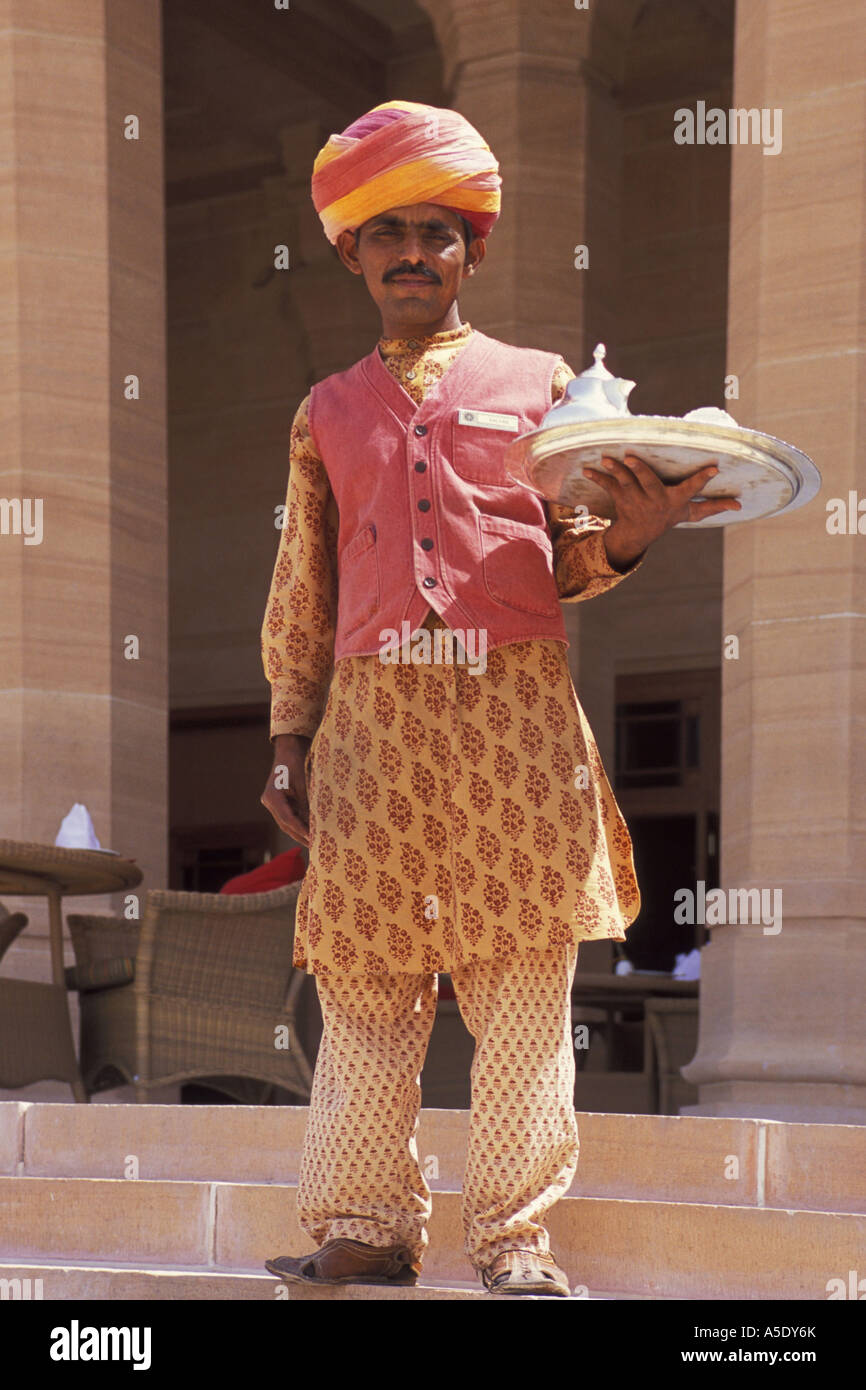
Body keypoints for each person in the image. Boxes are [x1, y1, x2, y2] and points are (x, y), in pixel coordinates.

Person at [258, 99, 738, 1297]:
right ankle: (366, 1226)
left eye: (437, 230)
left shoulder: (546, 387)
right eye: (386, 232)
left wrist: (627, 535)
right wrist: (285, 736)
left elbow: (573, 557)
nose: (412, 251)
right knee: (364, 982)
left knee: (524, 992)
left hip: (513, 719)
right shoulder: (323, 412)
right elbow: (302, 586)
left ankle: (514, 1240)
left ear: (471, 247)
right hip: (371, 726)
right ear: (353, 250)